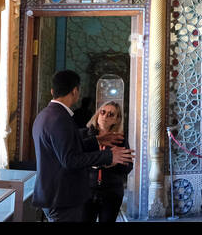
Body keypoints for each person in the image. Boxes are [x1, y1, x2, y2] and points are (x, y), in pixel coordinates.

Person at [32, 70, 133, 222]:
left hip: (56, 195)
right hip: (61, 197)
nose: (105, 116)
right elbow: (70, 160)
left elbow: (65, 148)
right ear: (75, 91)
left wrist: (97, 141)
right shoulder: (60, 118)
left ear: (53, 91)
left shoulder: (45, 115)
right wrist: (109, 156)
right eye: (103, 112)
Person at [80, 101, 133, 223]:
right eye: (103, 112)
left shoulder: (119, 139)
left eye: (111, 114)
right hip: (86, 191)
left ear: (116, 120)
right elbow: (75, 160)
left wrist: (115, 164)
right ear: (98, 114)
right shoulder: (84, 135)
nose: (105, 116)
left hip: (111, 192)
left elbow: (128, 167)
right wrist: (96, 163)